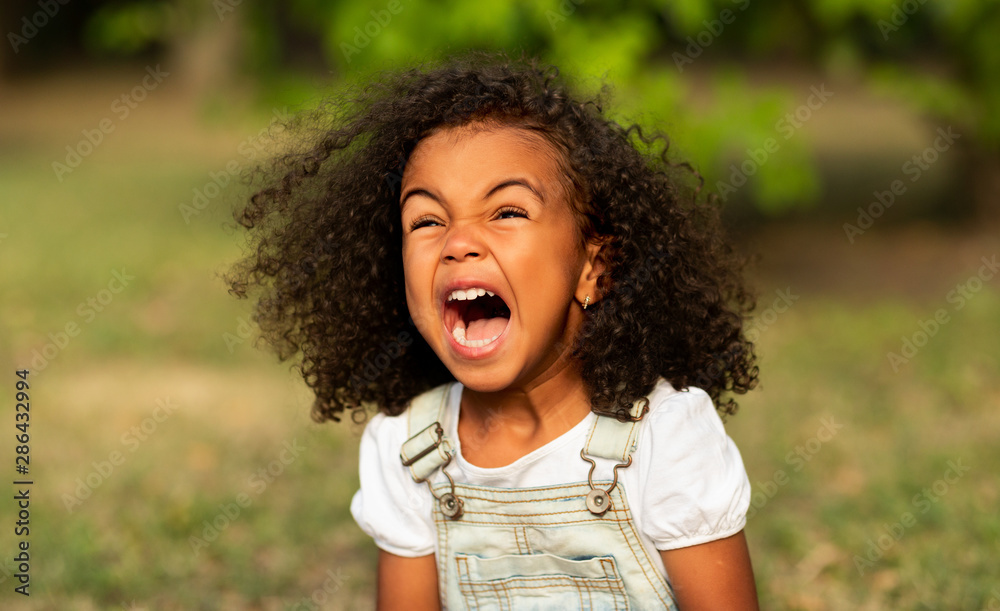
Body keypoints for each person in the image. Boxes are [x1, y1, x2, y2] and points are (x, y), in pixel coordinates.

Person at [228, 52, 760, 610]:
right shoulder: (410, 447)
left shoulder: (664, 438)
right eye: (427, 220)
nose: (458, 241)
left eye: (507, 212)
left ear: (593, 269)